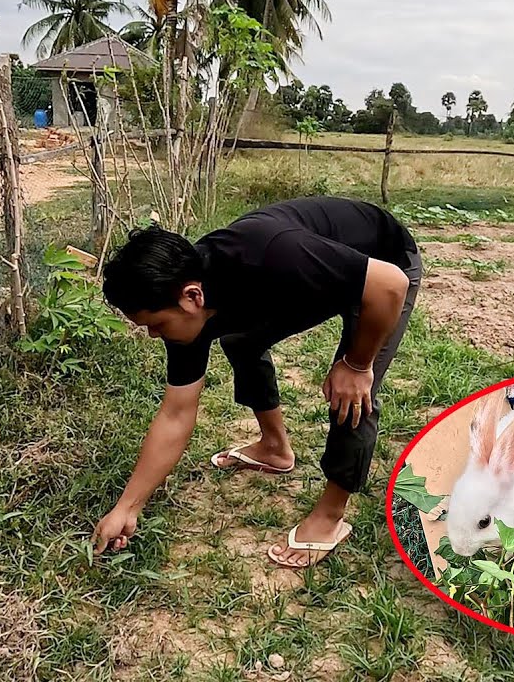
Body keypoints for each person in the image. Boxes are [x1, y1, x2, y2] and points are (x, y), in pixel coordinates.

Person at [90, 196, 422, 568]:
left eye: (156, 325)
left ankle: (330, 516)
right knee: (241, 339)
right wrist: (127, 506)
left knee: (352, 391)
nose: (153, 335)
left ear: (192, 297)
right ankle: (274, 448)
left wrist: (357, 364)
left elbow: (389, 285)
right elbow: (176, 413)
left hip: (383, 266)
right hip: (324, 273)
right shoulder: (184, 306)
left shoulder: (273, 255)